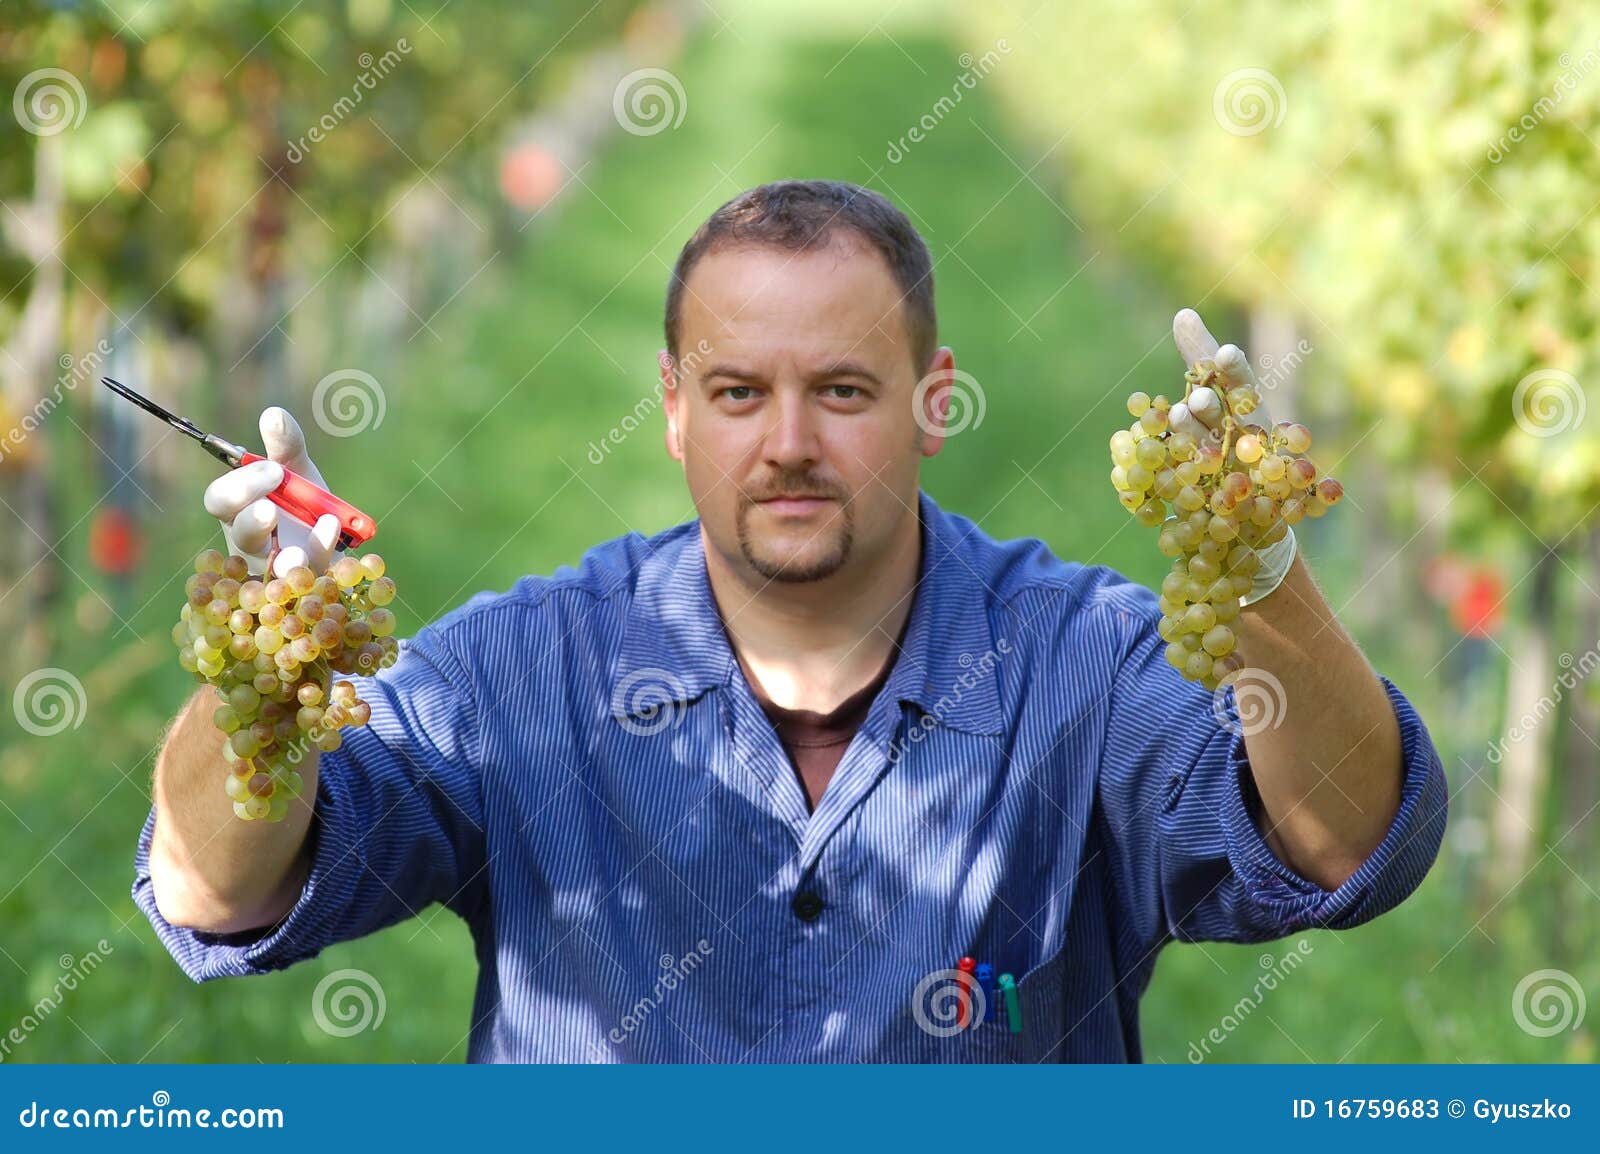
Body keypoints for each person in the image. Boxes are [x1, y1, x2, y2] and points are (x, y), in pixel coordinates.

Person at [135, 179, 1448, 1062]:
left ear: (935, 402)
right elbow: (220, 885)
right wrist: (265, 669)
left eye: (841, 389)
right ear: (671, 407)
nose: (789, 444)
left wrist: (1263, 572)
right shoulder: (529, 668)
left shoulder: (1077, 661)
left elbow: (1341, 840)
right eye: (737, 391)